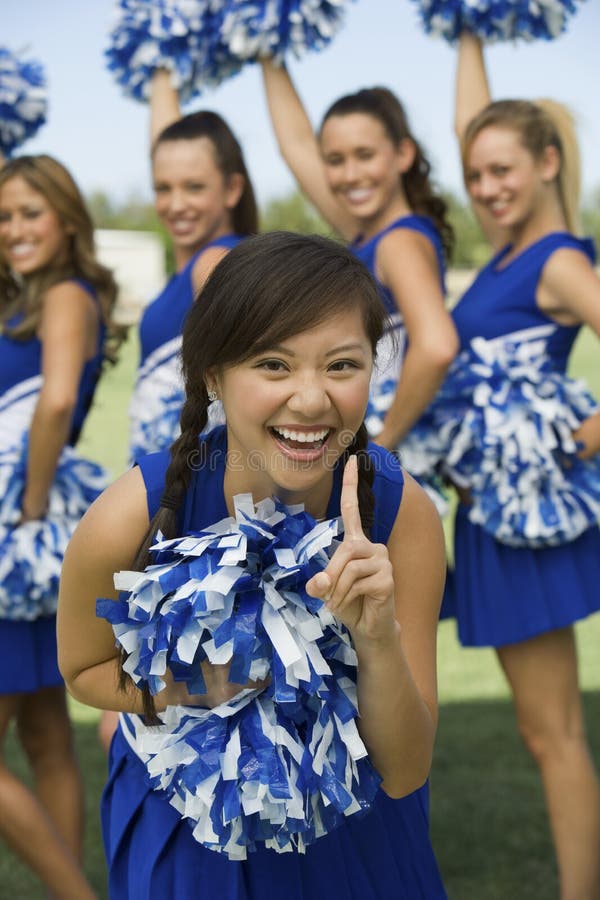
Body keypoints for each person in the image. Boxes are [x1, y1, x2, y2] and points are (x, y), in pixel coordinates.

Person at [58, 231, 448, 899]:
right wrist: (183, 687)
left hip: (351, 833)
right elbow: (83, 670)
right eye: (273, 365)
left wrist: (377, 637)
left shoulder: (402, 516)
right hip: (190, 829)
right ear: (214, 375)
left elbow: (406, 770)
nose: (311, 399)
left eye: (342, 365)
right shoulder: (129, 517)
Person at [447, 32, 600, 899]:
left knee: (555, 736)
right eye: (476, 176)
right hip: (492, 522)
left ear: (547, 163)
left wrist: (582, 436)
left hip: (529, 525)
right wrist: (468, 29)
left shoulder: (559, 259)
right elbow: (477, 120)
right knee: (546, 733)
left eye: (503, 170)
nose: (487, 188)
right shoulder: (507, 256)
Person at [98, 69, 259, 752]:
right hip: (171, 501)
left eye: (195, 187)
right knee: (149, 709)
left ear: (233, 188)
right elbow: (168, 141)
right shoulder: (187, 261)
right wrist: (162, 65)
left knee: (148, 713)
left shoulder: (214, 264)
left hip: (199, 509)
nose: (174, 202)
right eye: (163, 187)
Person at [0, 153, 120, 898]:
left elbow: (56, 402)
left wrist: (30, 511)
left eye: (29, 213)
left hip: (18, 536)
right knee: (46, 740)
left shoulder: (69, 295)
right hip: (25, 536)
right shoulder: (28, 300)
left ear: (68, 220)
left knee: (44, 744)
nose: (14, 229)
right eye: (4, 216)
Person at [260, 60, 458, 453]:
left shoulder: (398, 241)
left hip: (385, 456)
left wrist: (382, 443)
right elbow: (297, 145)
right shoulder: (366, 235)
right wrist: (269, 52)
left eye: (364, 155)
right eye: (335, 160)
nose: (350, 175)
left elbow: (437, 345)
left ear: (403, 154)